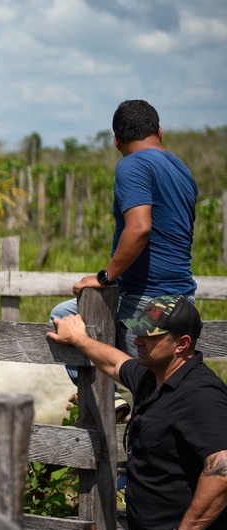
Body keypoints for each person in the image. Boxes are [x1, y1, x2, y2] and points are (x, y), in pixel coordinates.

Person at [47, 295, 227, 530]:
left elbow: (223, 468)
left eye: (150, 335)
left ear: (182, 344)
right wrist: (80, 339)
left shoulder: (200, 394)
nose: (138, 340)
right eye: (138, 331)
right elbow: (115, 362)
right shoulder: (152, 378)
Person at [49, 100, 198, 421]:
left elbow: (140, 227)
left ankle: (109, 398)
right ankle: (113, 399)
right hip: (183, 299)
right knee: (170, 393)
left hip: (148, 302)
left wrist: (105, 276)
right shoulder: (181, 169)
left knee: (152, 397)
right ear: (159, 132)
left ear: (116, 141)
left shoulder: (133, 165)